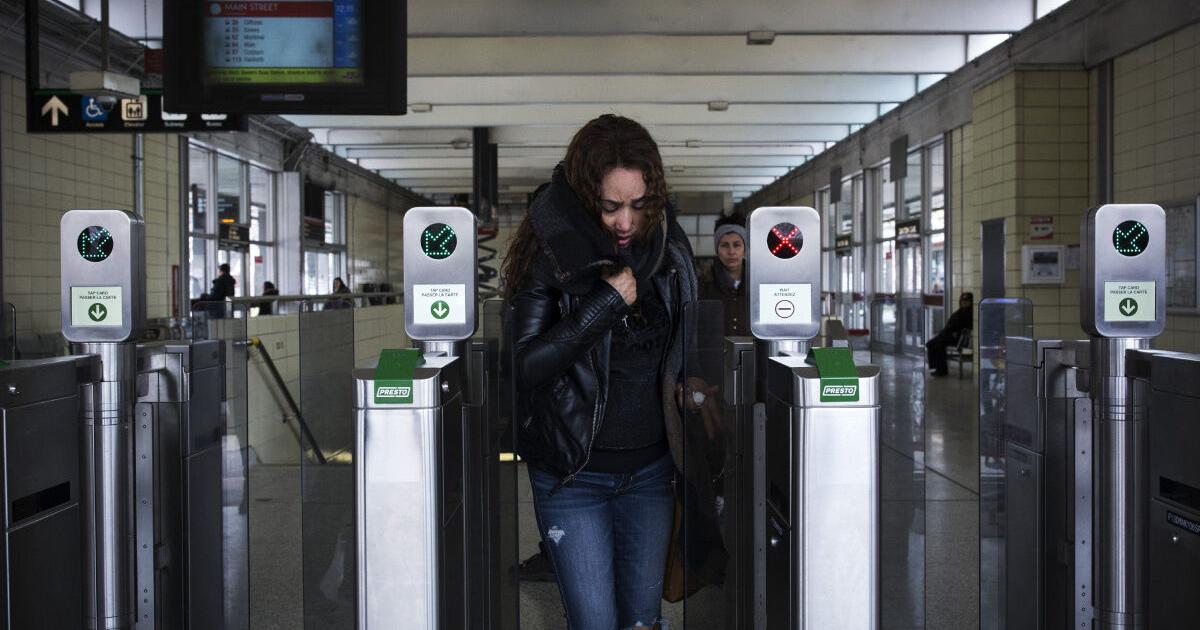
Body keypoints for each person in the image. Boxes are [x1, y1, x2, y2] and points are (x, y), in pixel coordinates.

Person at [503, 114, 703, 630]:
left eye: (638, 206)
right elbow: (524, 365)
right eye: (610, 207)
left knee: (642, 621)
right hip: (573, 476)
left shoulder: (668, 247)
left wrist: (689, 383)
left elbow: (684, 340)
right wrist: (604, 305)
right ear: (584, 197)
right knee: (594, 622)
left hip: (652, 472)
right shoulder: (548, 254)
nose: (624, 222)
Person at [699, 213, 749, 336]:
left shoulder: (757, 284)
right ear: (717, 249)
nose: (731, 252)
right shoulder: (703, 284)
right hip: (714, 353)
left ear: (745, 248)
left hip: (752, 354)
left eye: (737, 245)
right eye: (724, 245)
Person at [926, 291, 973, 376]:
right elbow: (950, 326)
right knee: (930, 344)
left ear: (970, 302)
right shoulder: (959, 312)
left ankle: (941, 370)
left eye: (966, 301)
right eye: (963, 301)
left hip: (958, 339)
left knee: (939, 345)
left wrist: (953, 333)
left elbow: (963, 328)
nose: (964, 303)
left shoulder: (969, 314)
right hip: (948, 335)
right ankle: (935, 367)